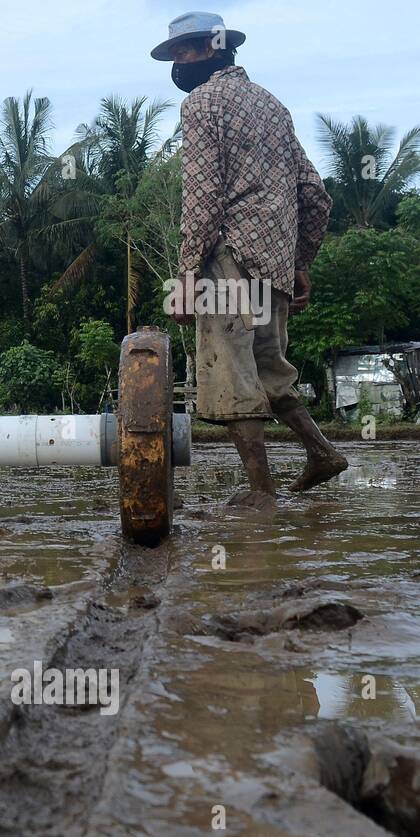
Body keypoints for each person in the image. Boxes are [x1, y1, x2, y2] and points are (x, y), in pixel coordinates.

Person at [153, 12, 347, 511]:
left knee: (230, 372)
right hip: (275, 259)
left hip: (229, 257)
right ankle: (322, 453)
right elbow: (314, 193)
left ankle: (261, 492)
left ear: (214, 49)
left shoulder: (203, 103)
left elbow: (202, 196)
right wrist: (300, 260)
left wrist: (187, 275)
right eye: (174, 55)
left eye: (185, 52)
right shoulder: (272, 105)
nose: (178, 64)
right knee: (268, 367)